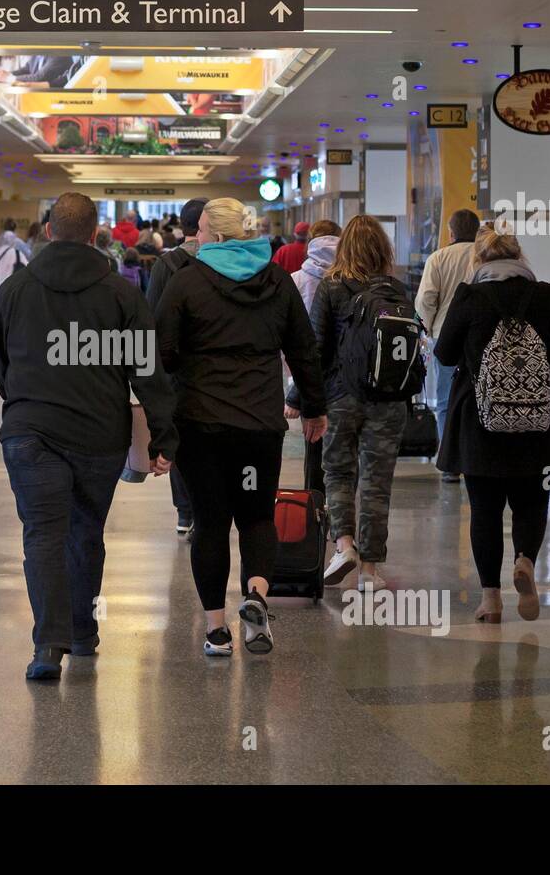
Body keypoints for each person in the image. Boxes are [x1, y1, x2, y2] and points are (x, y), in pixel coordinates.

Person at [0, 192, 177, 680]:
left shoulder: (15, 288)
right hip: (99, 435)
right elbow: (148, 372)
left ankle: (47, 647)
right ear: (95, 235)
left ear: (49, 230)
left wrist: (23, 399)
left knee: (43, 536)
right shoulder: (121, 293)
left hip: (31, 433)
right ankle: (82, 632)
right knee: (85, 532)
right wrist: (163, 438)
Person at [156, 198, 326, 656]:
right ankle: (255, 595)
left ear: (215, 235)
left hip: (201, 426)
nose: (197, 237)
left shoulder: (185, 282)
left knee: (210, 524)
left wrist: (158, 423)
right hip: (259, 426)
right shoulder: (277, 281)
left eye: (203, 230)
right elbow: (303, 349)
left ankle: (215, 630)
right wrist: (315, 407)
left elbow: (162, 354)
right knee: (255, 517)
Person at [434, 227, 550, 623]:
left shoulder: (470, 296)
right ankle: (525, 560)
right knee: (532, 500)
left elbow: (444, 354)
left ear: (480, 261)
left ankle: (490, 599)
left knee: (485, 510)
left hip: (481, 423)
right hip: (538, 423)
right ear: (519, 258)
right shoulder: (547, 295)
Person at [303, 216, 410, 592]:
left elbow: (315, 349)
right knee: (377, 483)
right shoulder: (397, 289)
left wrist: (303, 402)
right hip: (389, 399)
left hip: (341, 397)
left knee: (338, 472)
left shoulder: (331, 288)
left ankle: (344, 545)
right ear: (383, 250)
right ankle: (369, 571)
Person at [147, 196, 207, 537]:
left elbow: (152, 317)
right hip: (210, 364)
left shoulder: (164, 266)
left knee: (178, 436)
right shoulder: (221, 263)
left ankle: (184, 512)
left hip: (174, 367)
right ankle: (204, 506)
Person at [415, 208, 481, 483]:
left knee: (445, 399)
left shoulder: (439, 258)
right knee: (480, 395)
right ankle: (477, 457)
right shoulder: (484, 256)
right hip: (481, 336)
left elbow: (427, 298)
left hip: (446, 335)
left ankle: (449, 462)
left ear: (450, 232)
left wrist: (426, 328)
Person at [286, 218, 342, 492]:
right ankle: (342, 507)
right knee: (344, 445)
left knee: (314, 439)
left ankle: (316, 505)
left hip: (307, 372)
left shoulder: (296, 280)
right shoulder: (350, 280)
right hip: (344, 375)